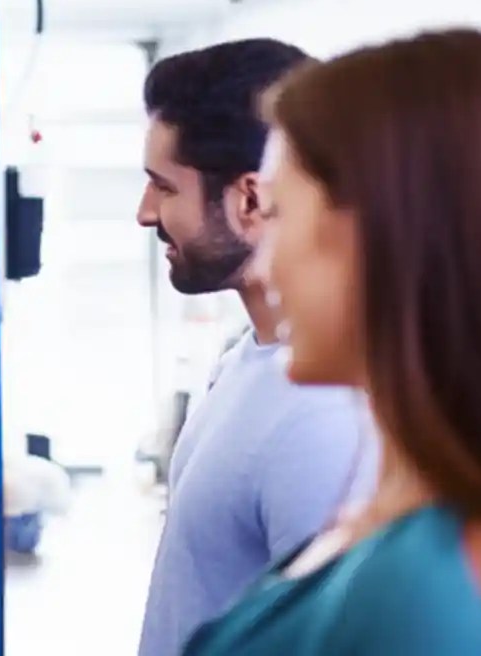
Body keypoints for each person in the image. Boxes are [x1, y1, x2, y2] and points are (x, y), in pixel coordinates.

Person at [184, 26, 481, 655]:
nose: (265, 269)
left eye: (278, 216)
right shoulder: (398, 542)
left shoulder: (426, 595)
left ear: (383, 236)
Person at [135, 39, 380, 656]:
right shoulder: (246, 357)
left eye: (162, 188)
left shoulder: (327, 416)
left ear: (248, 199)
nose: (144, 214)